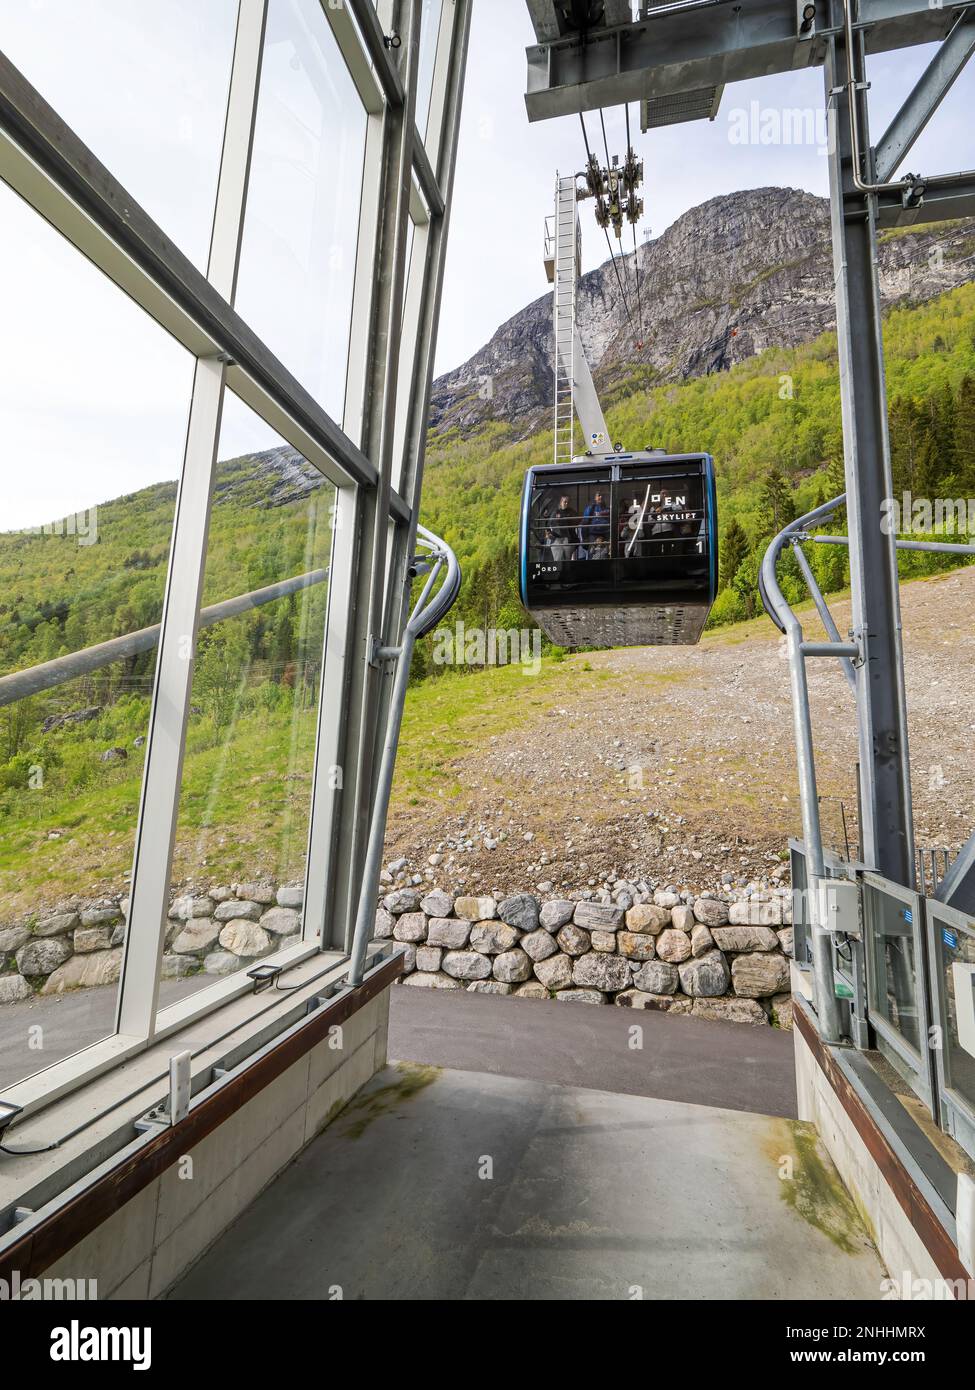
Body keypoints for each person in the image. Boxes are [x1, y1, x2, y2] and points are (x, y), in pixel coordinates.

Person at [582, 490, 610, 559]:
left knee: (605, 554)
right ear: (595, 498)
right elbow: (585, 523)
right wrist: (585, 538)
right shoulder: (590, 508)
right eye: (599, 495)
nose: (601, 497)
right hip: (593, 535)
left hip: (606, 534)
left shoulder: (608, 509)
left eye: (602, 495)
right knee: (592, 555)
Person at [549, 494, 577, 561]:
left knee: (567, 560)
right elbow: (551, 524)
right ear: (561, 502)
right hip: (557, 539)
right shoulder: (555, 512)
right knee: (558, 559)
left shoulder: (571, 511)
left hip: (568, 538)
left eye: (568, 502)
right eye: (565, 502)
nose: (566, 504)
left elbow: (576, 521)